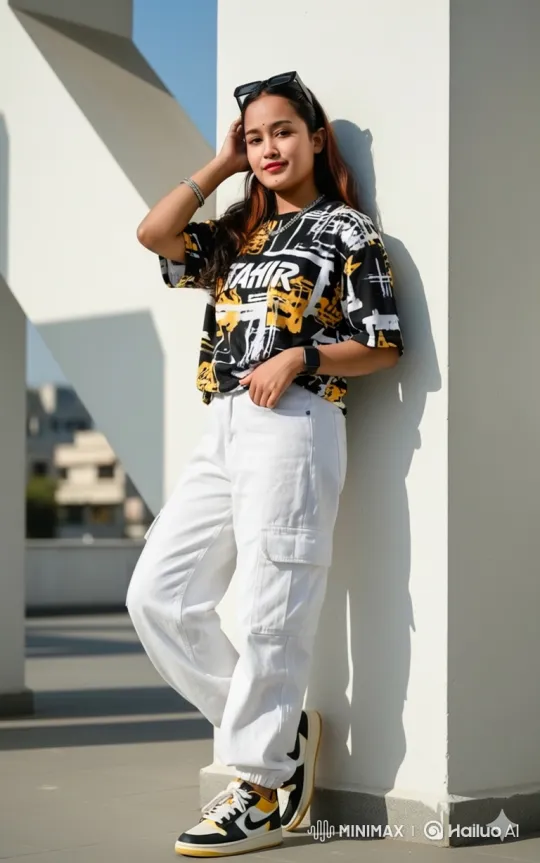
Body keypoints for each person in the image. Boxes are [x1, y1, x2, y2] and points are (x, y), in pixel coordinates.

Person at [126, 71, 403, 858]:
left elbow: (383, 343)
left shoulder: (346, 232)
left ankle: (264, 785)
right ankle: (282, 738)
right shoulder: (237, 233)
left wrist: (303, 354)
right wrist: (219, 168)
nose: (269, 147)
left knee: (272, 607)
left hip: (296, 419)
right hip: (225, 423)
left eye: (283, 131)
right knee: (158, 596)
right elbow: (155, 235)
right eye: (255, 137)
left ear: (317, 138)